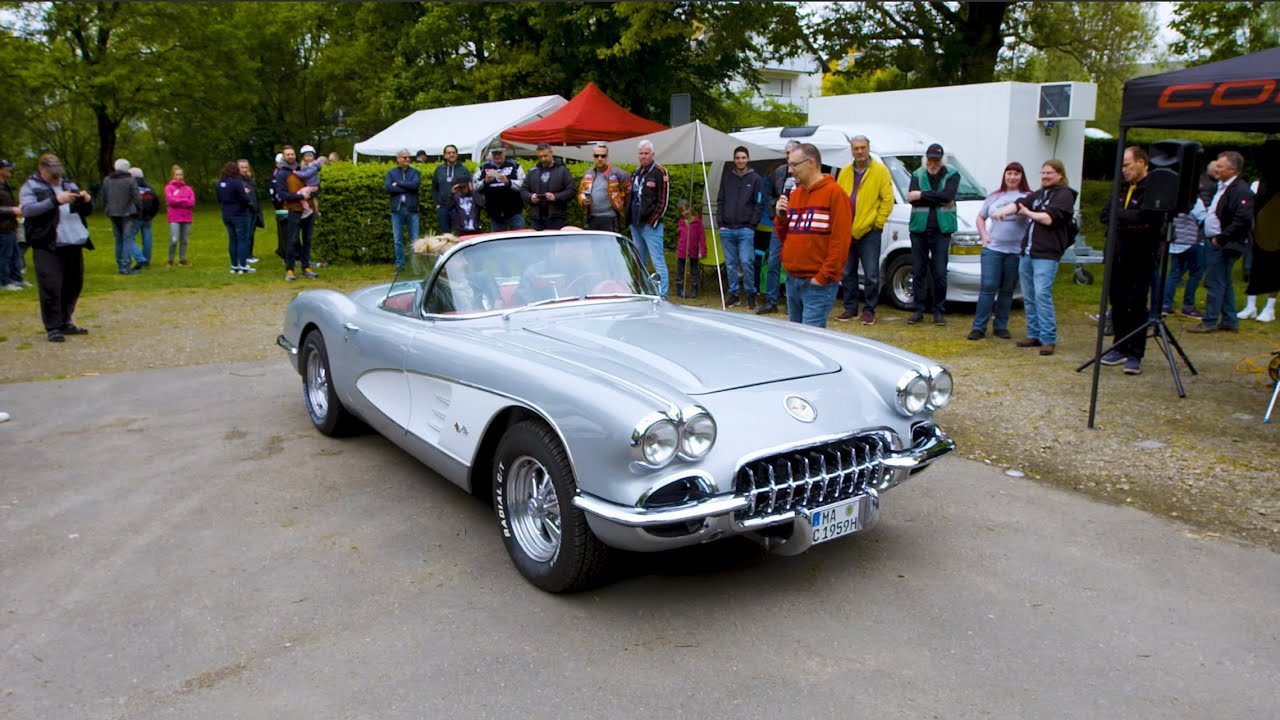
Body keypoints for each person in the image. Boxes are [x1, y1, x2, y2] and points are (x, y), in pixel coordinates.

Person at [994, 159, 1076, 356]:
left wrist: (1028, 213)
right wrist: (1001, 213)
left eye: (1049, 173)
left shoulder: (1064, 195)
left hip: (1047, 253)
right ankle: (1034, 334)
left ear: (1060, 175)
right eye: (1043, 173)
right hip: (1028, 252)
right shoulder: (1039, 195)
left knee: (1042, 294)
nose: (1045, 177)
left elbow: (1048, 218)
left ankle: (1048, 339)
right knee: (1029, 296)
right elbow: (1019, 204)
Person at [1097, 146, 1164, 375]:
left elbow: (1148, 218)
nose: (1124, 170)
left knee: (1136, 304)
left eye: (1127, 165)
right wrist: (1127, 219)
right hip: (1116, 254)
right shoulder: (1121, 188)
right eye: (1122, 166)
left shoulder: (1153, 190)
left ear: (1142, 163)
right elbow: (1105, 215)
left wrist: (1123, 217)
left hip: (1139, 255)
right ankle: (1119, 345)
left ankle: (1135, 352)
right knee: (1117, 302)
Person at [774, 142, 852, 328]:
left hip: (816, 283)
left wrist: (823, 277)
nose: (790, 171)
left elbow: (840, 242)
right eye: (789, 165)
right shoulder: (795, 194)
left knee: (811, 339)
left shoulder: (835, 194)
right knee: (796, 339)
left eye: (794, 165)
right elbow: (783, 236)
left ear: (811, 163)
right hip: (793, 280)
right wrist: (780, 216)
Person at [19, 154, 94, 342]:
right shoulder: (31, 187)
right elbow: (27, 210)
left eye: (58, 173)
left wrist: (85, 201)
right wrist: (55, 200)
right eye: (53, 174)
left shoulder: (69, 184)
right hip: (46, 242)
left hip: (72, 240)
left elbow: (84, 212)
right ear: (42, 170)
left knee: (73, 284)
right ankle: (53, 327)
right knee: (51, 285)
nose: (56, 177)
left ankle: (65, 320)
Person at [1190, 151, 1256, 334]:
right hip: (1218, 240)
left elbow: (1242, 219)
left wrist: (1221, 238)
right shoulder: (1223, 187)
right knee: (1224, 282)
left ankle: (1210, 320)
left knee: (1215, 282)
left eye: (1220, 166)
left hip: (1225, 244)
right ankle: (1229, 319)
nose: (1216, 169)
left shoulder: (1241, 190)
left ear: (1232, 169)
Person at [835, 135, 895, 326]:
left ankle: (869, 310)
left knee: (871, 273)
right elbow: (837, 197)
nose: (859, 151)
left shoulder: (880, 171)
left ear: (868, 148)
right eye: (856, 148)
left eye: (862, 148)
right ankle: (850, 308)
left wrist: (878, 223)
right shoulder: (844, 172)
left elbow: (887, 199)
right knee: (847, 272)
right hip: (846, 229)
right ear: (851, 150)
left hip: (869, 230)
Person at [968, 162, 1031, 340]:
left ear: (1022, 176)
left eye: (1016, 174)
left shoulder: (1028, 196)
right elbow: (981, 217)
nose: (1012, 177)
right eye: (1009, 173)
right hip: (993, 249)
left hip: (1015, 250)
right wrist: (984, 235)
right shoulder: (995, 196)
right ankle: (979, 327)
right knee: (988, 286)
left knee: (1007, 289)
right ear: (1004, 176)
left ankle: (1001, 326)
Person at [907, 143, 960, 325]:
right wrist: (938, 197)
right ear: (926, 160)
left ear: (942, 160)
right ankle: (918, 310)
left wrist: (921, 195)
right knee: (918, 271)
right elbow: (912, 201)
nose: (933, 163)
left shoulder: (952, 174)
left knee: (939, 272)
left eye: (936, 160)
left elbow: (948, 195)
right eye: (930, 159)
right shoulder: (916, 174)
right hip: (919, 230)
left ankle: (939, 311)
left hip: (941, 231)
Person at [717, 145, 765, 309]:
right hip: (727, 228)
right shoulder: (727, 178)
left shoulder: (756, 179)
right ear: (734, 159)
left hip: (746, 229)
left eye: (743, 157)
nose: (740, 160)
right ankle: (734, 295)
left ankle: (751, 294)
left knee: (746, 262)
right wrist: (720, 223)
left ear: (748, 159)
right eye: (737, 158)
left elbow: (760, 203)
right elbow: (720, 200)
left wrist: (752, 225)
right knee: (730, 264)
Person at [756, 140, 800, 315]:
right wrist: (776, 210)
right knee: (773, 261)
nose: (789, 156)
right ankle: (771, 300)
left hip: (796, 225)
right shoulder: (780, 172)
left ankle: (792, 302)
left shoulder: (803, 174)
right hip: (779, 223)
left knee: (792, 264)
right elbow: (770, 195)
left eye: (792, 153)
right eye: (787, 153)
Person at [1240, 139, 1280, 323]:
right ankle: (1251, 305)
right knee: (1253, 266)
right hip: (1257, 231)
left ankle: (1269, 307)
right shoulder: (1257, 184)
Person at [628, 140, 670, 297]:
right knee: (639, 261)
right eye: (641, 153)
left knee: (658, 261)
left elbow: (663, 201)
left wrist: (653, 220)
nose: (643, 156)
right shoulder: (636, 173)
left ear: (652, 154)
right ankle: (643, 291)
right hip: (635, 224)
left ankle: (662, 294)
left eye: (646, 153)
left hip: (651, 225)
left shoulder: (660, 172)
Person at [275, 145, 319, 280]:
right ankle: (289, 269)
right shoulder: (282, 173)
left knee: (307, 239)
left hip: (309, 210)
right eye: (287, 154)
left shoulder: (304, 169)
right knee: (292, 240)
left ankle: (306, 267)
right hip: (294, 210)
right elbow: (282, 194)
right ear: (283, 156)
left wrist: (312, 194)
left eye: (292, 154)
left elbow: (316, 187)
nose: (290, 156)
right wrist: (300, 197)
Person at [1161, 196, 1207, 319]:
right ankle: (1188, 305)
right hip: (1192, 241)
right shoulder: (1195, 201)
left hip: (1176, 242)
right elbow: (1203, 219)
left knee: (1174, 273)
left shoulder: (1171, 199)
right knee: (1196, 273)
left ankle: (1165, 304)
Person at [100, 158, 141, 275]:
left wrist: (107, 208)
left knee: (118, 239)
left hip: (112, 212)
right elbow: (136, 197)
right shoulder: (130, 180)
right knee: (127, 239)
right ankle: (125, 266)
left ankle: (120, 264)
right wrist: (139, 210)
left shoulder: (107, 180)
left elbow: (104, 196)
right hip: (128, 212)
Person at [577, 143, 629, 233]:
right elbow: (580, 193)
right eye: (596, 156)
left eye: (603, 156)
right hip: (592, 217)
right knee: (594, 246)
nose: (599, 158)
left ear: (607, 157)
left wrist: (622, 207)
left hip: (610, 217)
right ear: (593, 157)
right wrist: (583, 200)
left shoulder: (619, 173)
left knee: (609, 246)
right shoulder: (588, 173)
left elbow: (630, 194)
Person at [216, 161, 257, 274]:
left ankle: (234, 265)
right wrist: (247, 195)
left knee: (232, 240)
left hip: (226, 214)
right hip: (240, 214)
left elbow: (219, 199)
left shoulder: (220, 183)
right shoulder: (237, 183)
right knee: (242, 239)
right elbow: (244, 198)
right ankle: (243, 265)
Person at [522, 143, 574, 231]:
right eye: (540, 156)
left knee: (555, 244)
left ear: (551, 153)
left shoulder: (562, 170)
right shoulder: (532, 172)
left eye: (545, 156)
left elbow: (571, 190)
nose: (543, 159)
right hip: (536, 217)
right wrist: (531, 197)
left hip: (556, 217)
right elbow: (523, 190)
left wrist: (555, 197)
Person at [384, 147, 420, 272]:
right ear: (398, 159)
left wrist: (398, 183)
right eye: (405, 157)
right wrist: (406, 186)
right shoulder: (391, 172)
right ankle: (400, 265)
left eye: (409, 157)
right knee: (398, 240)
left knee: (414, 239)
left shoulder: (415, 172)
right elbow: (388, 188)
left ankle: (414, 266)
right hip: (397, 209)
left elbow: (415, 186)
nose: (407, 159)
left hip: (412, 208)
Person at [478, 143, 525, 231]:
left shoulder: (514, 165)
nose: (497, 156)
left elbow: (523, 185)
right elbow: (475, 186)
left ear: (504, 152)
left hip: (514, 212)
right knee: (497, 242)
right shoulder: (484, 167)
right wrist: (485, 181)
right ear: (491, 154)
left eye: (499, 153)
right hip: (495, 214)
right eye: (494, 154)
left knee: (519, 239)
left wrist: (509, 182)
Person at [431, 144, 472, 233]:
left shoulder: (463, 169)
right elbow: (434, 187)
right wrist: (436, 203)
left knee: (461, 233)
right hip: (443, 207)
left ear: (457, 154)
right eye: (449, 153)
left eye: (453, 152)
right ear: (445, 155)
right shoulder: (439, 169)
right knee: (445, 234)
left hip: (459, 207)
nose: (451, 155)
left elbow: (471, 187)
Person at [127, 167, 159, 269]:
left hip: (135, 217)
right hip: (148, 218)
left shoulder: (132, 188)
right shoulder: (150, 189)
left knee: (128, 238)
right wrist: (151, 215)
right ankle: (146, 261)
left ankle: (140, 258)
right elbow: (156, 204)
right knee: (147, 239)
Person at [0, 159, 25, 291]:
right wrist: (11, 210)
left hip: (10, 225)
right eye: (6, 168)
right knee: (5, 256)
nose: (9, 170)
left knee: (15, 254)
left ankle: (17, 279)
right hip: (2, 228)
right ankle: (5, 282)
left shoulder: (5, 185)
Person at [165, 164, 195, 267]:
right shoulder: (169, 187)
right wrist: (184, 200)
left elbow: (192, 202)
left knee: (184, 240)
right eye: (177, 174)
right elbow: (171, 201)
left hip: (186, 217)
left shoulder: (188, 189)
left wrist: (179, 201)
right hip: (174, 217)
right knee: (174, 239)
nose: (179, 176)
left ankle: (182, 259)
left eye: (181, 174)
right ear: (173, 175)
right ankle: (170, 259)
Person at [674, 199, 705, 298]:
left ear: (690, 208)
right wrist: (678, 250)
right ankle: (679, 289)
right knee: (680, 270)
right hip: (682, 250)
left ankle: (695, 289)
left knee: (694, 270)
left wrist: (702, 250)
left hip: (694, 249)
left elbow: (701, 236)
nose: (685, 212)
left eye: (687, 209)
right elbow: (680, 237)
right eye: (682, 211)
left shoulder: (697, 221)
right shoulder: (681, 222)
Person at [238, 158, 263, 265]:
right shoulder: (237, 181)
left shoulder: (249, 180)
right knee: (245, 234)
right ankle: (244, 256)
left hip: (253, 210)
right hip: (244, 211)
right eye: (242, 167)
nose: (244, 169)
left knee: (251, 233)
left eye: (246, 167)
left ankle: (250, 254)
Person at [295, 144, 325, 219]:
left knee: (299, 194)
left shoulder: (313, 166)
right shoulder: (309, 165)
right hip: (310, 186)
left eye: (310, 156)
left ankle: (307, 209)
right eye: (306, 156)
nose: (308, 158)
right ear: (303, 157)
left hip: (313, 186)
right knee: (312, 199)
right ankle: (316, 212)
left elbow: (306, 175)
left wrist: (296, 173)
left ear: (313, 156)